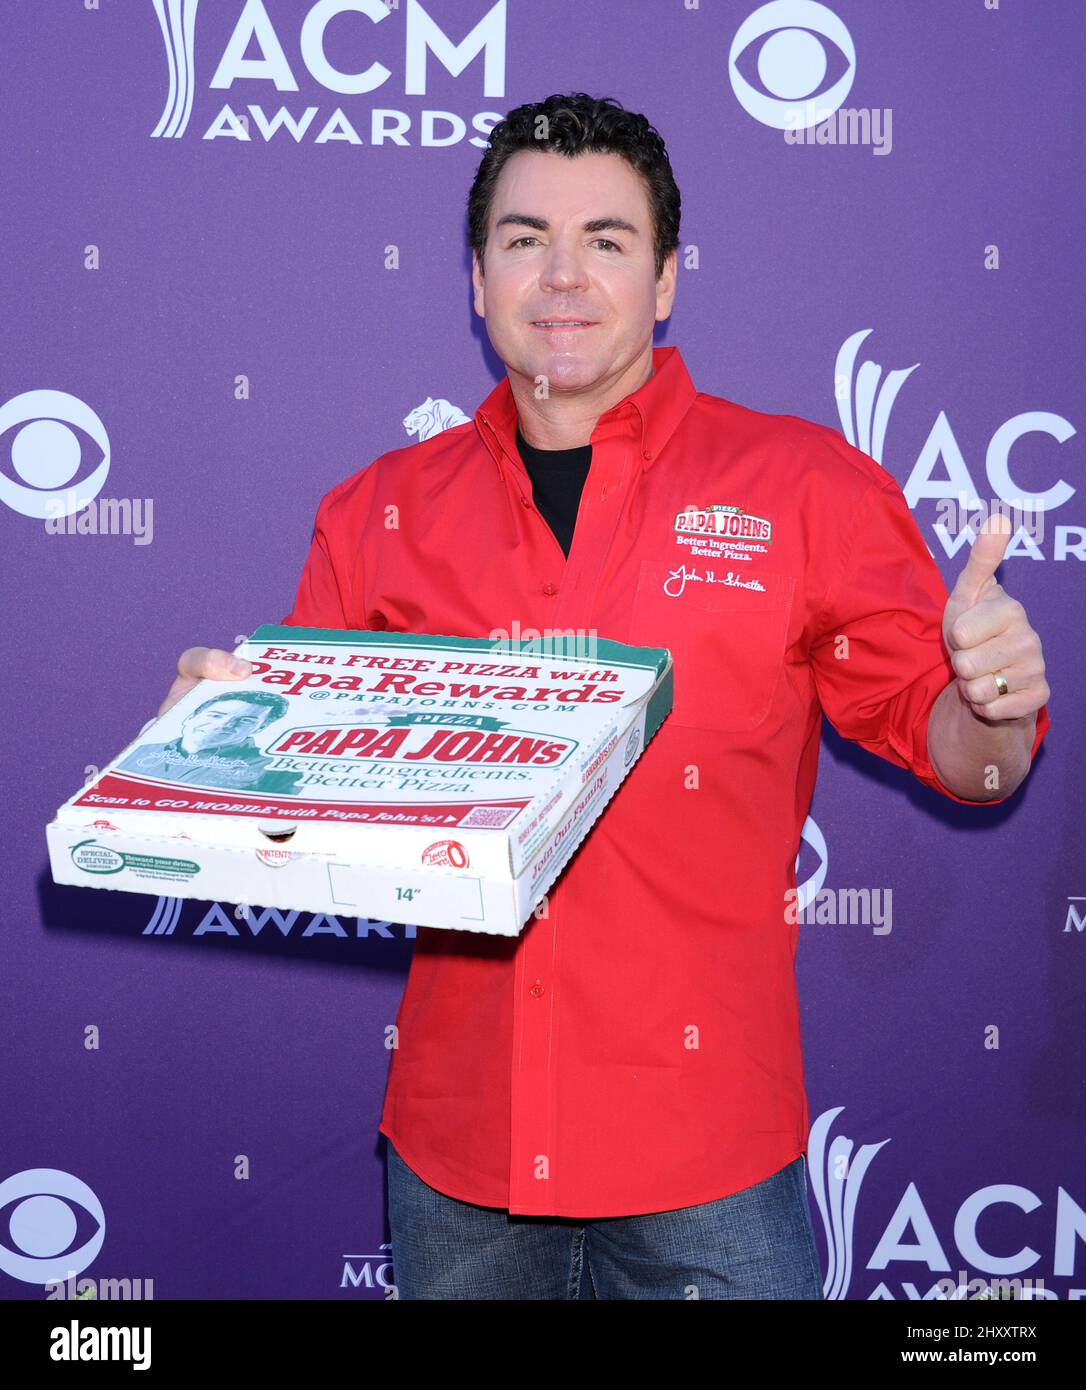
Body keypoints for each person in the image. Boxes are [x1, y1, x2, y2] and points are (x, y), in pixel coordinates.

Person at [157, 94, 1050, 1300]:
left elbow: (966, 763)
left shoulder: (801, 484)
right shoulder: (376, 509)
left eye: (608, 240)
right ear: (477, 280)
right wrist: (220, 751)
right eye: (525, 238)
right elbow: (301, 825)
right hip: (459, 1154)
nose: (563, 275)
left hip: (709, 1164)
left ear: (668, 278)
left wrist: (991, 703)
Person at [121, 690, 303, 795]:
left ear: (259, 728)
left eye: (246, 721)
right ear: (191, 717)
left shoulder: (277, 770)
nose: (223, 725)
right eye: (216, 715)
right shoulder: (142, 751)